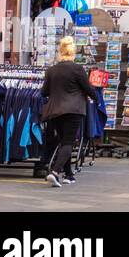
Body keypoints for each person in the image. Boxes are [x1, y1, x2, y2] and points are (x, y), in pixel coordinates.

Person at [40, 36, 101, 187]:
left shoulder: (51, 70)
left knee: (63, 142)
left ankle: (69, 175)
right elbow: (88, 89)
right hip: (73, 110)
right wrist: (97, 99)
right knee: (68, 142)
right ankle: (54, 172)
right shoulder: (77, 69)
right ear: (72, 53)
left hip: (55, 111)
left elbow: (43, 92)